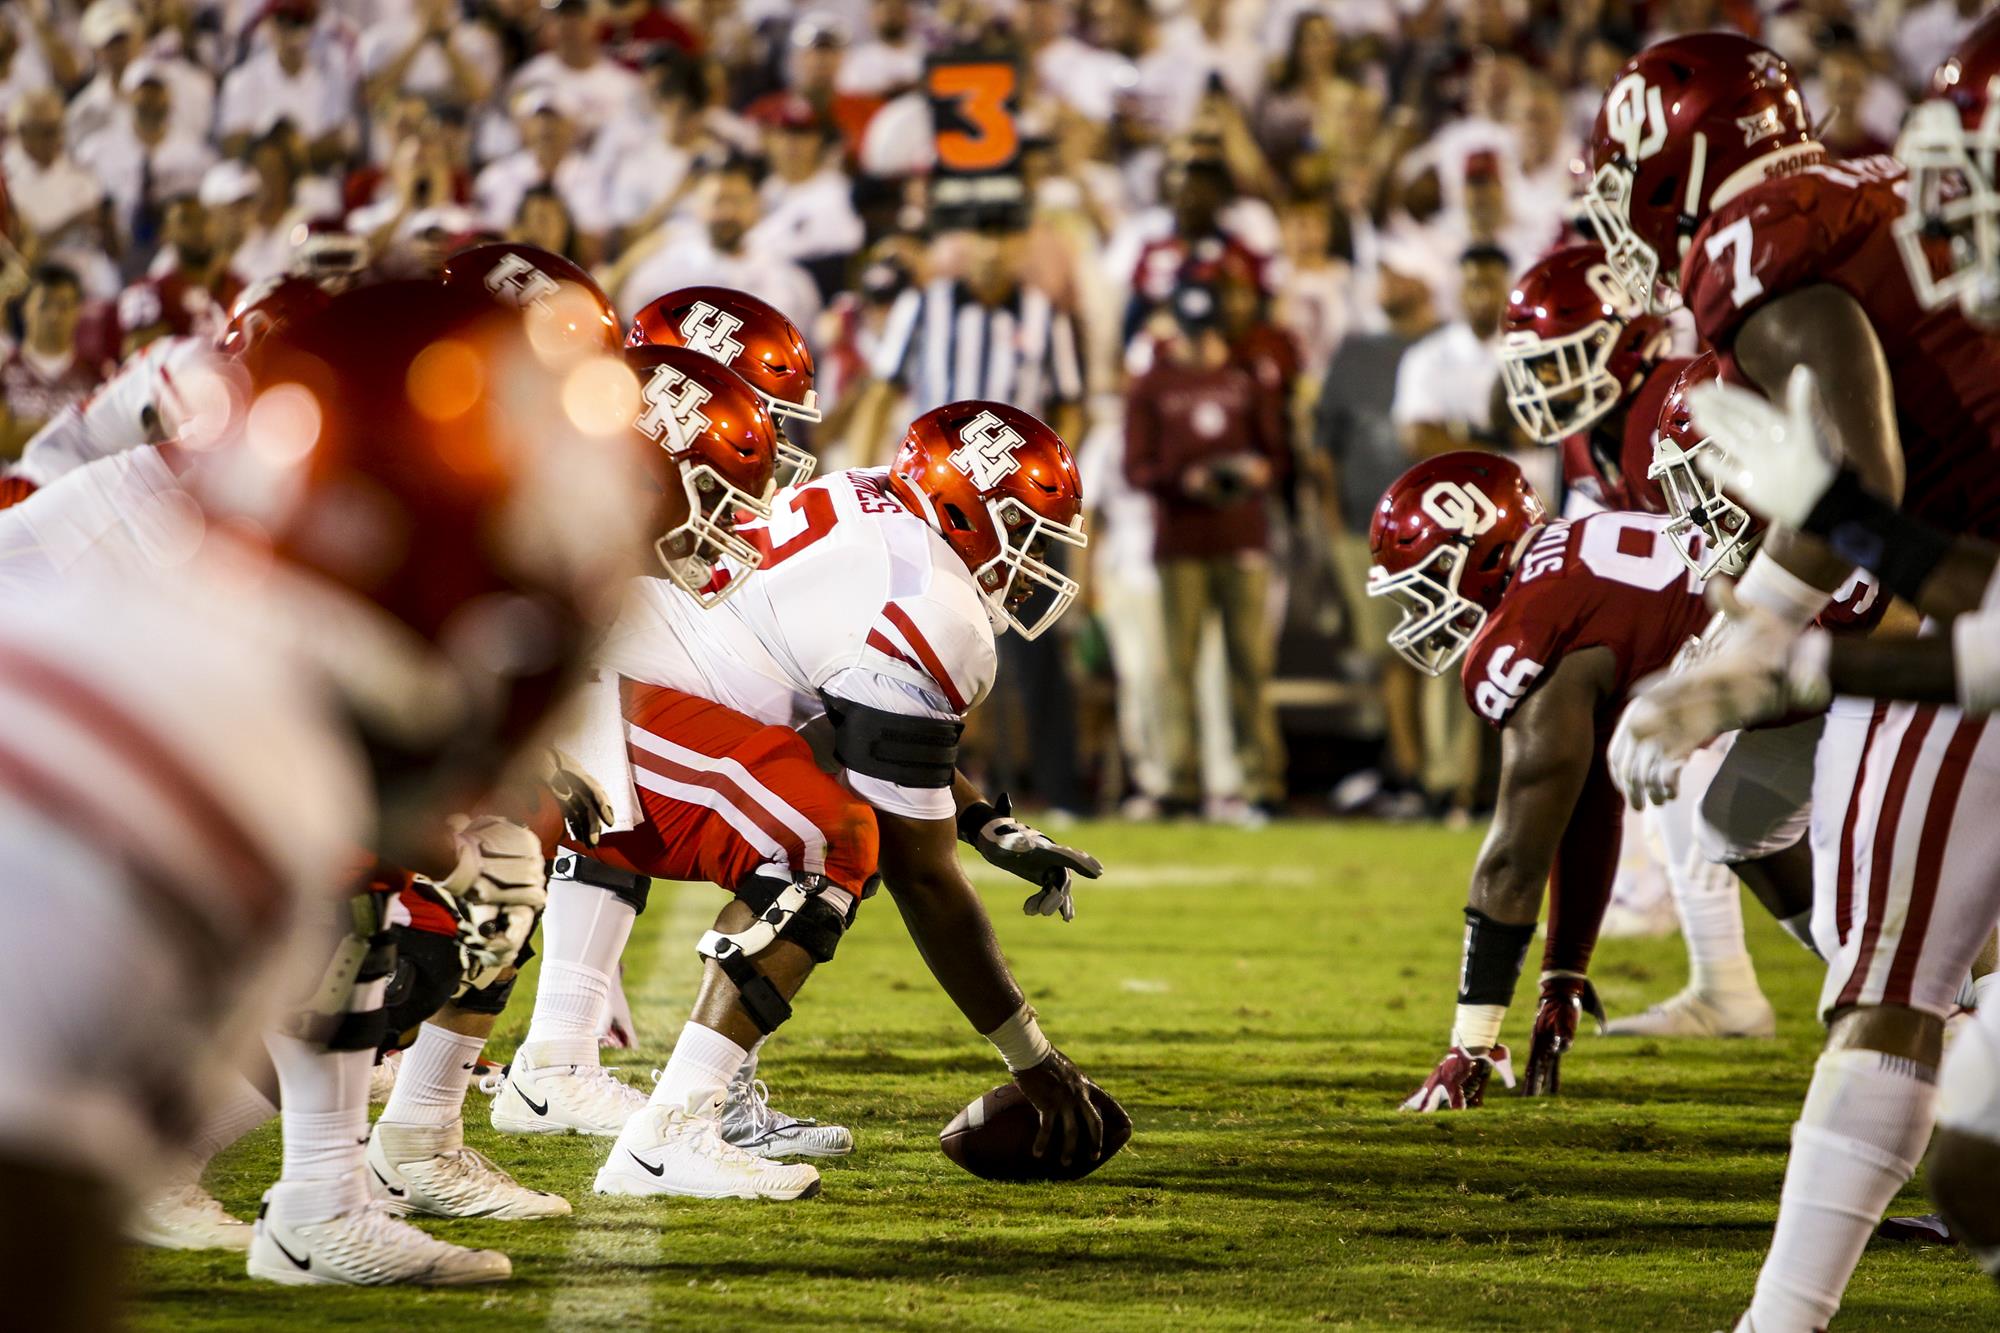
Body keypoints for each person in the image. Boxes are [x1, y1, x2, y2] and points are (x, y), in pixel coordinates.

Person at [0, 275, 656, 1317]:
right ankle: (309, 1200)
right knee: (374, 922)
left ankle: (317, 1193)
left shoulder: (218, 644)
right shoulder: (209, 760)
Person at [1581, 32, 2000, 1329]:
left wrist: (1763, 638)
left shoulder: (1775, 227)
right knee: (1978, 1166)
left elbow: (1861, 467)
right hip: (1970, 596)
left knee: (1894, 1014)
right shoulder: (1863, 204)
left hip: (1964, 635)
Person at [500, 399, 1111, 1201]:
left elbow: (867, 728)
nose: (1032, 567)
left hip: (611, 676)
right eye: (1025, 535)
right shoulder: (935, 605)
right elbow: (923, 877)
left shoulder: (870, 499)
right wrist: (1035, 1058)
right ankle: (674, 1131)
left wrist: (983, 820)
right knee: (826, 840)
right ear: (964, 511)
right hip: (605, 713)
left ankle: (643, 1091)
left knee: (820, 814)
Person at [1372, 453, 1712, 1109]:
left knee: (1837, 891)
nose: (1428, 604)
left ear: (1479, 545)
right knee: (1747, 826)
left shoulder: (1536, 619)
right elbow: (1589, 802)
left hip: (1831, 658)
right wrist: (1562, 978)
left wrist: (1468, 1046)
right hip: (1813, 639)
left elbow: (1513, 859)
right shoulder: (1580, 548)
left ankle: (1951, 1011)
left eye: (1431, 577)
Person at [1124, 283, 1289, 819]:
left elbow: (1277, 455)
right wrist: (1183, 480)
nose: (1199, 346)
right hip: (1181, 539)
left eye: (1207, 334)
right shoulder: (1152, 383)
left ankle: (1261, 781)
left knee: (1249, 663)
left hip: (1241, 536)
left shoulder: (1247, 376)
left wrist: (1255, 472)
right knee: (1179, 664)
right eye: (1191, 335)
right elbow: (1136, 467)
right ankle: (1180, 781)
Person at [1312, 245, 1442, 818]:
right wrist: (1336, 520)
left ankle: (1445, 779)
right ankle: (1412, 775)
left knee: (1440, 650)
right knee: (1394, 656)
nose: (1386, 282)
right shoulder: (1356, 350)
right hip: (1370, 524)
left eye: (1399, 269)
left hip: (1441, 529)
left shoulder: (1448, 348)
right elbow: (1324, 444)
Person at [612, 157, 822, 333]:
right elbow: (632, 322)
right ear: (698, 206)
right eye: (718, 201)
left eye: (737, 201)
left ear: (756, 206)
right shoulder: (665, 265)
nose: (728, 213)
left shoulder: (786, 277)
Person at [0, 265, 104, 458]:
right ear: (25, 307)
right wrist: (72, 433)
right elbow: (2, 440)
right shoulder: (4, 367)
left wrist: (24, 429)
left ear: (78, 311)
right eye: (44, 305)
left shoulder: (97, 372)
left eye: (63, 306)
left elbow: (104, 441)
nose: (54, 316)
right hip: (14, 482)